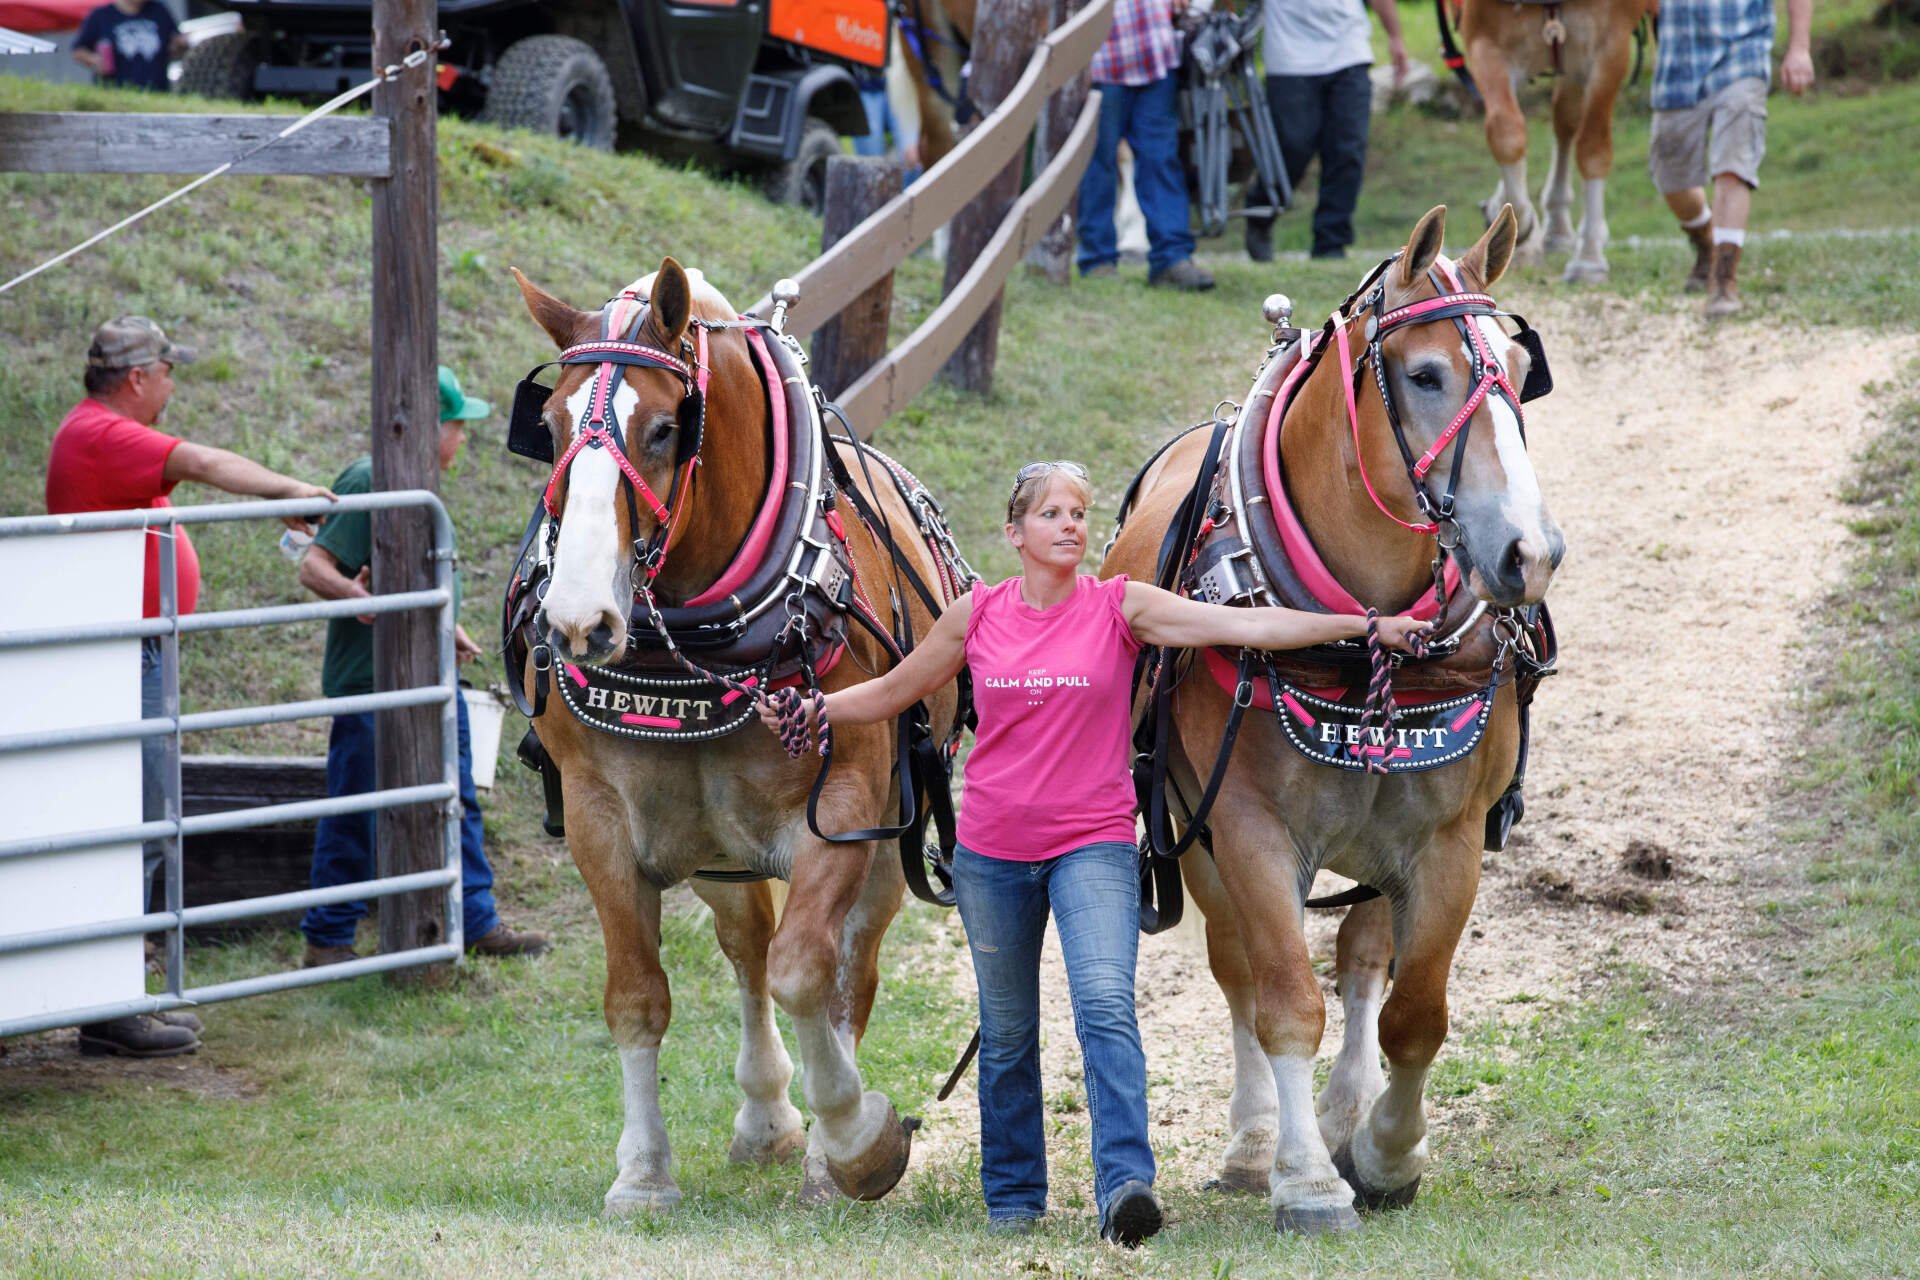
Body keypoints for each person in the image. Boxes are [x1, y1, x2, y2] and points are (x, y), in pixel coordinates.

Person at [758, 461, 1428, 1243]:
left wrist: (1364, 628)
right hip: (993, 855)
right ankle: (1013, 1199)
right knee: (1007, 1031)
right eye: (1051, 513)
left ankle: (1126, 1186)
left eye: (1079, 512)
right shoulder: (975, 615)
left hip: (1095, 846)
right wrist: (817, 708)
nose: (1071, 525)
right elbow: (893, 691)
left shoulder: (1122, 607)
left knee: (1107, 1009)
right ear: (1015, 533)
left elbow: (1249, 626)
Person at [45, 315, 336, 1057]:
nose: (174, 384)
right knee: (135, 823)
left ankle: (116, 995)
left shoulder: (98, 434)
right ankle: (107, 1006)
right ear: (139, 378)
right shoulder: (104, 434)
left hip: (133, 651)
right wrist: (289, 489)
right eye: (169, 371)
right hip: (120, 654)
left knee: (143, 820)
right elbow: (204, 462)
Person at [295, 366, 551, 969]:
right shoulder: (368, 478)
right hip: (370, 684)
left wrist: (445, 627)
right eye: (458, 426)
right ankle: (328, 936)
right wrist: (366, 603)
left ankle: (476, 919)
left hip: (432, 676)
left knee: (456, 797)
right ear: (430, 426)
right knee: (355, 808)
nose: (462, 439)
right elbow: (315, 566)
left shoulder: (415, 482)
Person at [1648, 0, 1814, 318]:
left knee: (1732, 168)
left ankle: (1724, 282)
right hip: (1677, 64)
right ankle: (1706, 238)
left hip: (1742, 57)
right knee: (1672, 182)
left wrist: (1799, 48)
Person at [1243, 0, 1407, 263]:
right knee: (1292, 147)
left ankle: (1330, 243)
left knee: (1347, 151)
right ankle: (1261, 212)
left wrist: (1395, 37)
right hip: (1290, 57)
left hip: (1349, 52)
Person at [1077, 0, 1216, 291]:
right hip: (1101, 60)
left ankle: (1171, 259)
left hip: (1155, 55)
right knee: (1097, 163)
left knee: (1161, 159)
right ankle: (1097, 260)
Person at [71, 0, 187, 93]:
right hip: (115, 92)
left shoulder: (159, 11)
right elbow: (78, 50)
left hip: (157, 91)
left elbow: (175, 46)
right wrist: (95, 60)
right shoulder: (101, 15)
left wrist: (180, 45)